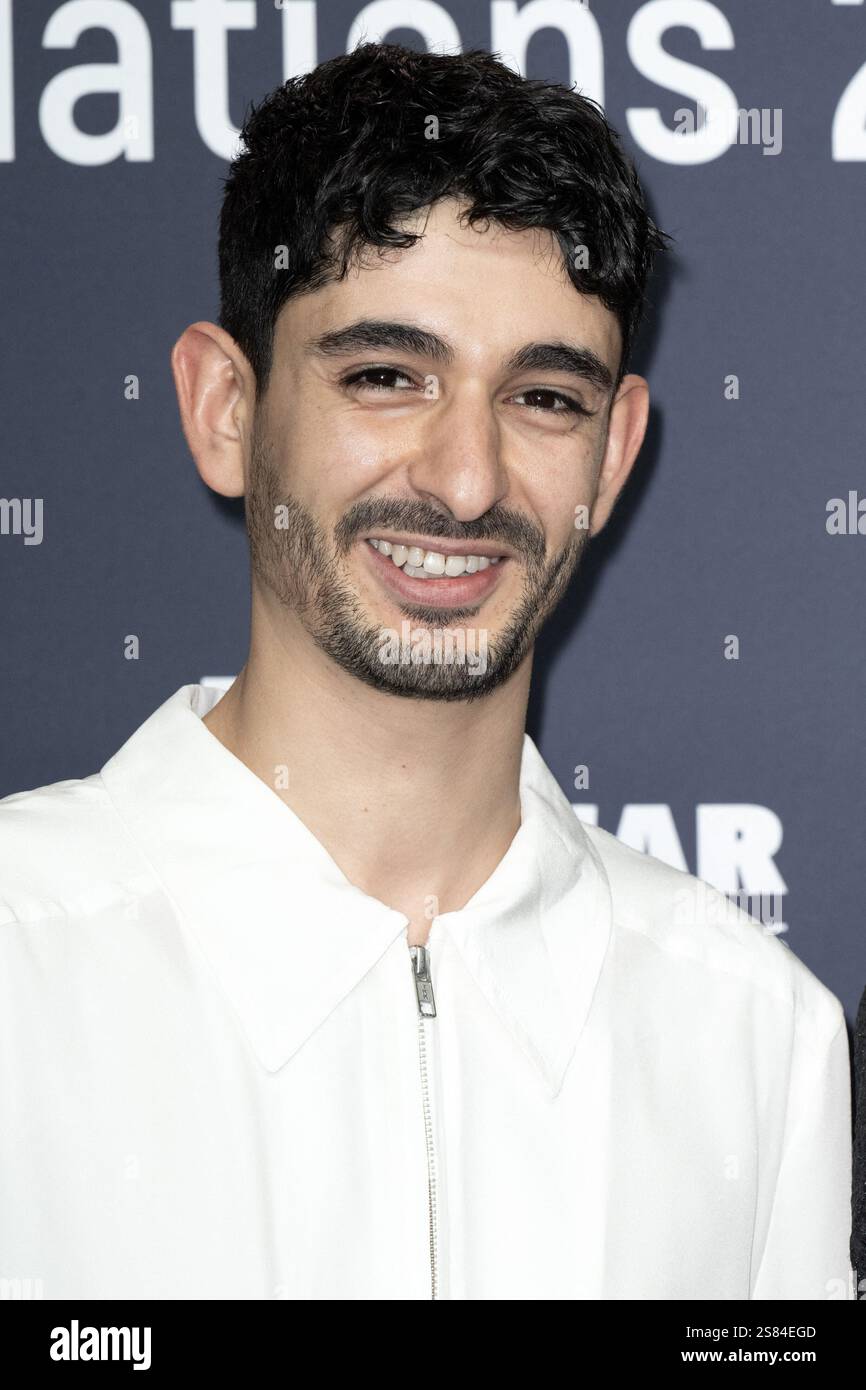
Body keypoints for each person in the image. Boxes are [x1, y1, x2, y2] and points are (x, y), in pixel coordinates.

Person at [0, 42, 853, 1301]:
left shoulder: (756, 1039)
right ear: (225, 409)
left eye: (543, 398)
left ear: (613, 455)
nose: (464, 480)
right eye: (385, 377)